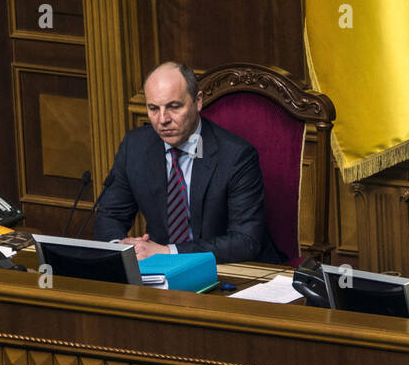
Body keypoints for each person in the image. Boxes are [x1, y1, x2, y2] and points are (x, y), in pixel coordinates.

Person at [92, 61, 285, 264]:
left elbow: (245, 241)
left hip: (228, 269)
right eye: (153, 109)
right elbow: (110, 215)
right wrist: (121, 249)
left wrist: (169, 252)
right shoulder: (135, 147)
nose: (163, 119)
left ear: (197, 101)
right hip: (160, 272)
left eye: (174, 107)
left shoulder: (236, 156)